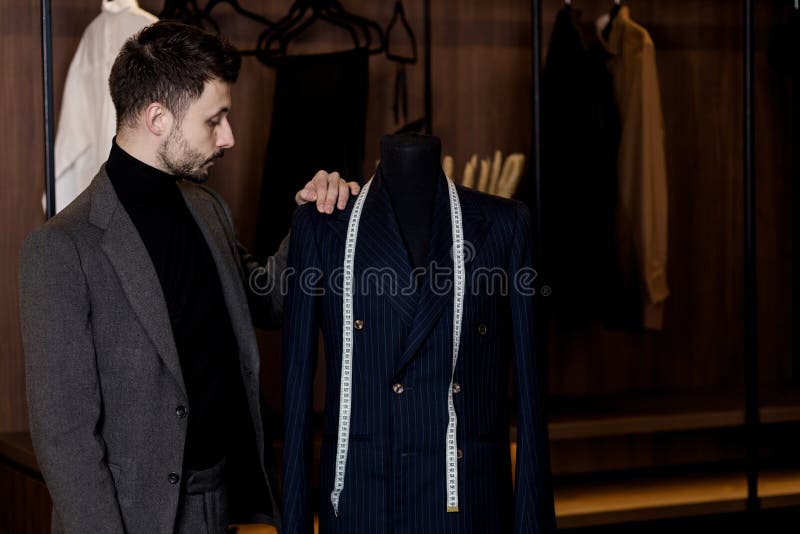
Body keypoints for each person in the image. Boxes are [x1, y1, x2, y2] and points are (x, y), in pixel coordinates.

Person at [18, 20, 359, 534]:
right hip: (131, 519)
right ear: (158, 118)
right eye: (214, 120)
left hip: (222, 503)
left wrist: (312, 223)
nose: (229, 137)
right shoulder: (61, 248)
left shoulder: (207, 209)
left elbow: (265, 301)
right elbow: (65, 438)